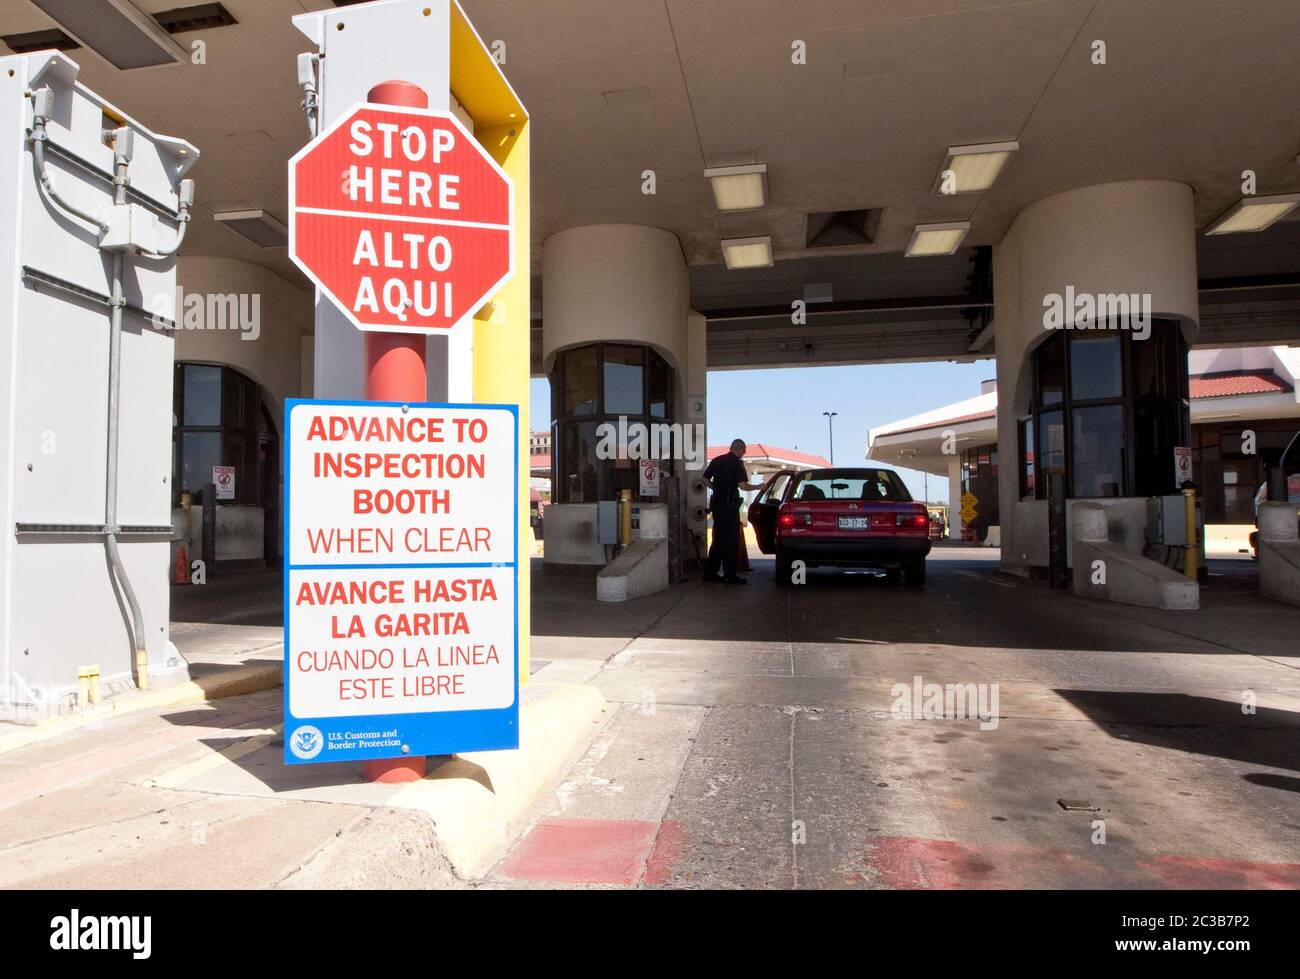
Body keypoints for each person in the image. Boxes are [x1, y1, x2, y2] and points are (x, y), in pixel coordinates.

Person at [701, 439, 765, 584]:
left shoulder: (717, 460)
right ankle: (730, 575)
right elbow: (743, 486)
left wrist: (715, 488)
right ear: (741, 450)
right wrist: (758, 487)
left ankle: (710, 573)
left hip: (717, 506)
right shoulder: (737, 463)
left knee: (718, 540)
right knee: (730, 541)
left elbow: (704, 478)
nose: (745, 452)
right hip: (729, 507)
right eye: (744, 450)